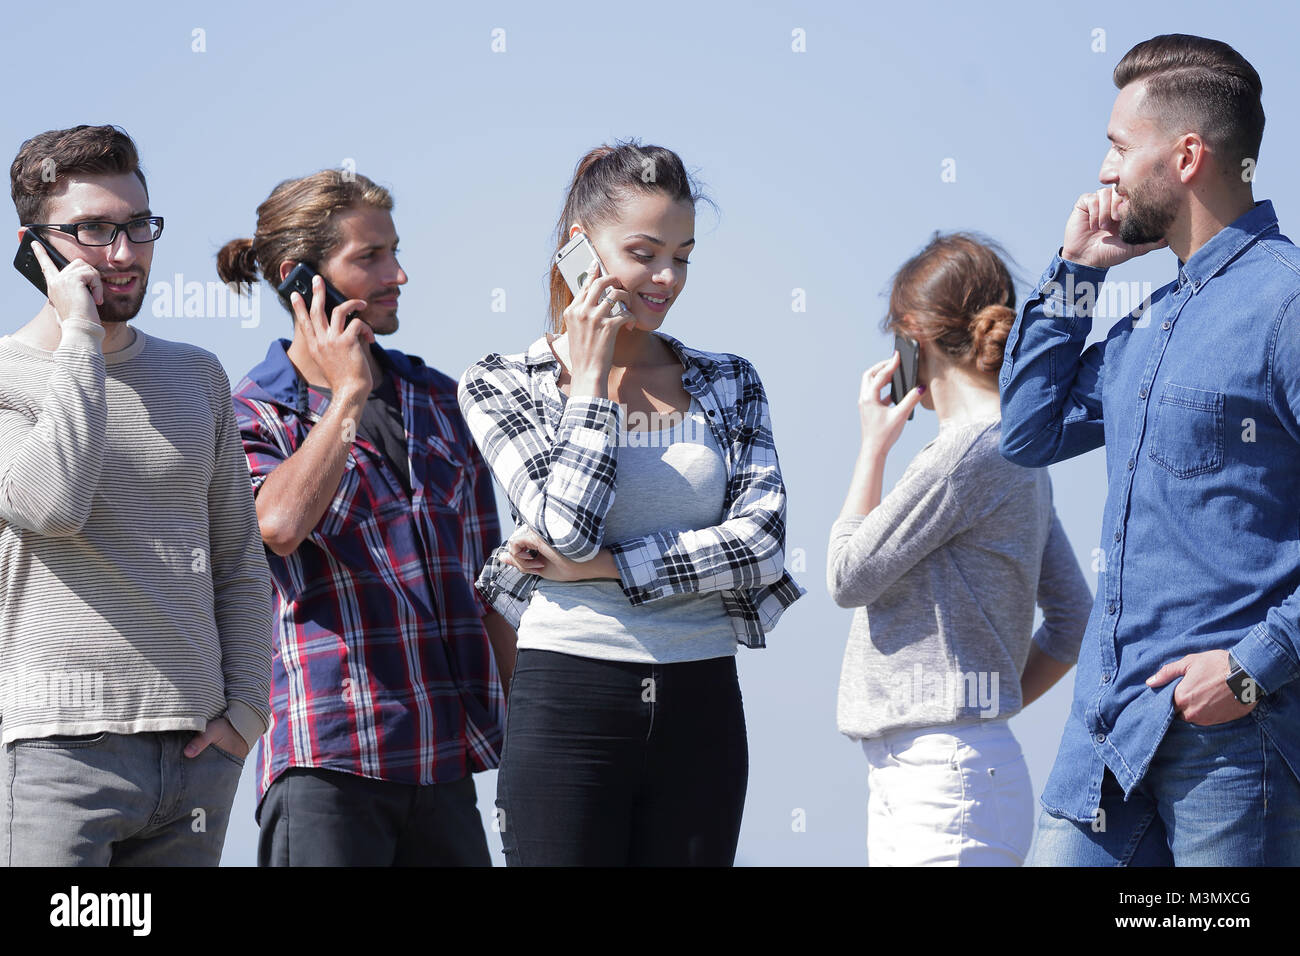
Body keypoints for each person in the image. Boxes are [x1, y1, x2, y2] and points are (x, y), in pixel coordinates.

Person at [458, 142, 804, 866]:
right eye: (645, 252)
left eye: (683, 255)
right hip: (568, 698)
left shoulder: (729, 379)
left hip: (702, 700)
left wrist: (613, 568)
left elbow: (761, 544)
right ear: (580, 250)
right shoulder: (501, 381)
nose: (667, 277)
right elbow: (567, 530)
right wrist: (589, 382)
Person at [1000, 34, 1300, 865]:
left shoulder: (1287, 307)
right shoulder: (1148, 321)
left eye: (1120, 148)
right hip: (1104, 742)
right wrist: (1074, 274)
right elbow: (1027, 432)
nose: (1104, 171)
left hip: (1239, 751)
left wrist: (1254, 665)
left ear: (1189, 154)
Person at [221, 169, 515, 866]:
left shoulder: (441, 402)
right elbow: (280, 525)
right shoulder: (251, 412)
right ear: (302, 280)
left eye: (395, 250)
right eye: (370, 257)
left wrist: (530, 730)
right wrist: (347, 395)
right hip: (327, 765)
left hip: (446, 762)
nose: (399, 273)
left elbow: (492, 587)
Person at [0, 125, 272, 865]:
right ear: (35, 246)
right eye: (93, 230)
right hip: (55, 757)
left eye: (138, 226)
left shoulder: (198, 377)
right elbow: (54, 504)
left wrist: (246, 712)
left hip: (194, 763)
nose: (123, 254)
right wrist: (80, 334)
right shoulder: (5, 379)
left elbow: (240, 563)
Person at [827, 232, 1092, 866]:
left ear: (912, 335)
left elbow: (845, 575)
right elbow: (1074, 619)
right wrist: (987, 706)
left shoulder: (962, 454)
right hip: (956, 768)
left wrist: (872, 446)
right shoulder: (1021, 453)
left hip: (939, 781)